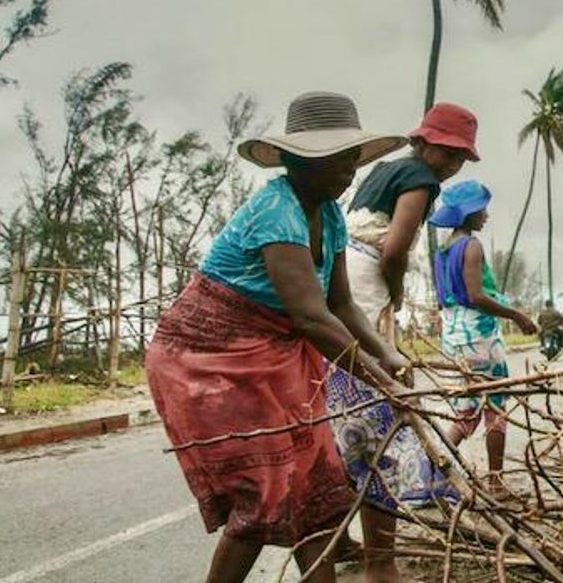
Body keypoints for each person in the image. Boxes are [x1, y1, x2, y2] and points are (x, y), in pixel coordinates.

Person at [146, 91, 410, 583]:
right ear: (295, 160)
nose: (348, 170)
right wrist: (382, 381)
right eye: (335, 159)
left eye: (352, 158)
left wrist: (388, 355)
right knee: (265, 488)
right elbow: (311, 318)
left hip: (274, 353)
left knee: (318, 485)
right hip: (209, 358)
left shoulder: (330, 215)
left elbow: (341, 305)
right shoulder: (276, 211)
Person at [323, 102, 478, 578]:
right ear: (424, 142)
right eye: (448, 152)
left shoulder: (383, 170)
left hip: (339, 280)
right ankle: (380, 565)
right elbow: (394, 250)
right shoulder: (421, 181)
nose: (451, 165)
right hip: (364, 288)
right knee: (376, 428)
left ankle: (337, 545)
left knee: (337, 423)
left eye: (460, 158)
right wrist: (398, 291)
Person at [430, 180, 538, 497]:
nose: (487, 216)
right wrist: (516, 315)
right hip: (480, 334)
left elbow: (444, 299)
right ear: (469, 213)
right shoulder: (472, 245)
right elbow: (476, 295)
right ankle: (495, 482)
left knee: (466, 411)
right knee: (496, 406)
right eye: (483, 210)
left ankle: (433, 475)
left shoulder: (443, 250)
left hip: (454, 333)